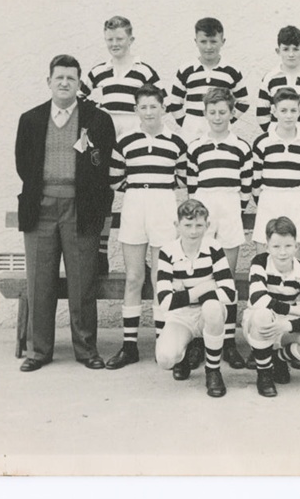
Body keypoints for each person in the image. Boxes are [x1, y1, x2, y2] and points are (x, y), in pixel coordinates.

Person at [15, 54, 115, 372]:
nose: (64, 83)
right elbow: (23, 164)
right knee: (40, 282)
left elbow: (101, 164)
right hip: (40, 207)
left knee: (82, 282)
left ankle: (86, 349)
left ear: (79, 83)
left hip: (80, 208)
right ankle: (38, 351)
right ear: (49, 81)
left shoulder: (97, 119)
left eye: (71, 78)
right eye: (59, 77)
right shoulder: (30, 119)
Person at [104, 84, 188, 369]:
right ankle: (129, 346)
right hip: (134, 204)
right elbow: (115, 179)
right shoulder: (125, 141)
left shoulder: (176, 142)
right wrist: (140, 189)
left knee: (160, 278)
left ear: (163, 108)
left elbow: (183, 177)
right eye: (143, 107)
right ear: (135, 110)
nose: (149, 112)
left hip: (164, 204)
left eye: (154, 106)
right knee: (133, 277)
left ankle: (163, 343)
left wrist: (158, 188)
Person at [79, 15, 163, 274]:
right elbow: (79, 97)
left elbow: (160, 100)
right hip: (106, 137)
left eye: (119, 38)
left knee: (136, 194)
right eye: (109, 39)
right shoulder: (99, 70)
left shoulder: (144, 70)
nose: (114, 44)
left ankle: (142, 258)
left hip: (133, 138)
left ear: (131, 39)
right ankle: (101, 252)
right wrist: (98, 112)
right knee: (104, 192)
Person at [185, 87, 252, 370]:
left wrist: (234, 209)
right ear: (205, 113)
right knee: (200, 276)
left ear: (232, 113)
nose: (217, 117)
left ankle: (228, 341)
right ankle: (199, 341)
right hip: (204, 205)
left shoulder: (241, 147)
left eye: (222, 112)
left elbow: (246, 187)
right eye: (212, 112)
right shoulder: (195, 146)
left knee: (226, 278)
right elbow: (191, 185)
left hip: (229, 206)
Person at [154, 199, 235, 398]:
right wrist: (204, 287)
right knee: (165, 359)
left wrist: (183, 293)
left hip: (206, 314)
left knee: (213, 307)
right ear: (177, 225)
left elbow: (229, 293)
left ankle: (213, 370)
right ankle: (183, 354)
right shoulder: (167, 252)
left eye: (199, 225)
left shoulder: (214, 248)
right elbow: (165, 301)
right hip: (181, 317)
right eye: (187, 225)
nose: (193, 231)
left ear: (207, 225)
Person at [244, 217, 300, 397]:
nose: (282, 252)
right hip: (259, 324)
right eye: (276, 246)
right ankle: (264, 374)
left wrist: (287, 325)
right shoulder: (259, 262)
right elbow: (258, 298)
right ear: (267, 247)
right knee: (263, 314)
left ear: (297, 246)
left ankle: (278, 357)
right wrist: (294, 310)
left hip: (285, 325)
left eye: (288, 246)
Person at [251, 87, 300, 257]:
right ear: (274, 111)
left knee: (296, 258)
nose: (288, 115)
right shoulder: (262, 143)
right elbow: (255, 180)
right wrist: (266, 199)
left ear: (299, 112)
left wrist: (298, 199)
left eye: (293, 110)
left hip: (296, 200)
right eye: (283, 110)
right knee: (265, 257)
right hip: (268, 199)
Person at [168, 17, 249, 146]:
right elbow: (174, 102)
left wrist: (227, 120)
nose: (208, 47)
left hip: (220, 130)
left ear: (223, 42)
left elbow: (243, 101)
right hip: (192, 132)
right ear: (196, 41)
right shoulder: (186, 70)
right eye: (203, 41)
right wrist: (185, 123)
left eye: (213, 41)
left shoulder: (231, 71)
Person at [256, 25, 300, 136]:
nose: (291, 54)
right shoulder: (270, 78)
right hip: (276, 139)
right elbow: (262, 114)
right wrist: (274, 133)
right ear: (278, 51)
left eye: (295, 49)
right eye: (286, 49)